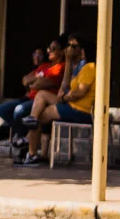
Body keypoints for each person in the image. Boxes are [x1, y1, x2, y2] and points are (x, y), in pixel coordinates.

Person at [0, 38, 64, 155]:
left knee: (18, 112)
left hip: (40, 101)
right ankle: (22, 138)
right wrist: (36, 81)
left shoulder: (60, 68)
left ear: (62, 51)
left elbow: (40, 83)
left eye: (53, 49)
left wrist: (35, 82)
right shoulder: (45, 66)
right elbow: (25, 80)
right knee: (3, 109)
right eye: (48, 48)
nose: (49, 51)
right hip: (29, 98)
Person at [24, 35, 95, 165]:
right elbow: (65, 87)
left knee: (42, 115)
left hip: (81, 110)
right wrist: (67, 61)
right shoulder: (76, 67)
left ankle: (31, 150)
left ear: (82, 50)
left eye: (73, 46)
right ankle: (31, 124)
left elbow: (79, 92)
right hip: (70, 104)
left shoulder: (90, 67)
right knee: (41, 95)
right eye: (68, 45)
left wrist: (63, 97)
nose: (69, 49)